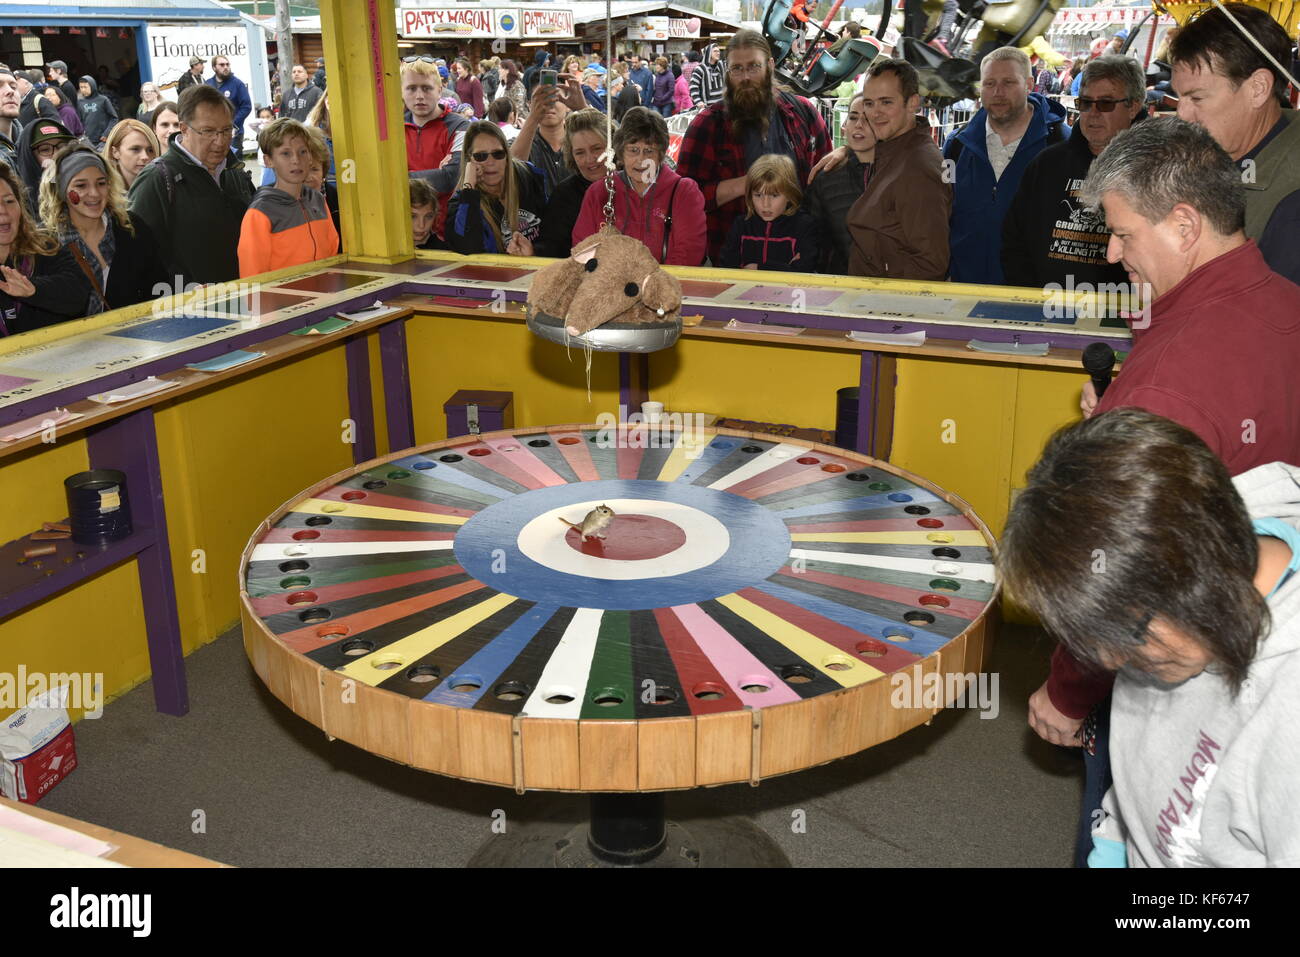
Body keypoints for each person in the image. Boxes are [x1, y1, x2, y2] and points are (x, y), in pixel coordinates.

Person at [1033, 116, 1300, 867]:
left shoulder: (1166, 379)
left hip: (1185, 687)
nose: (1111, 253)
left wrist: (1065, 691)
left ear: (1184, 223)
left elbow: (1112, 577)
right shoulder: (1285, 304)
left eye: (1121, 232)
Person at [999, 408, 1300, 868]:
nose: (1110, 659)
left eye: (1126, 631)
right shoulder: (1169, 615)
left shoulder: (1287, 711)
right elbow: (1146, 778)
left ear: (1204, 570)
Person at [1169, 4, 1300, 285]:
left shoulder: (1292, 196)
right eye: (1179, 96)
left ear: (1258, 88)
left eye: (1198, 98)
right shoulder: (1204, 155)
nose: (1182, 114)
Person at [676, 29, 830, 265]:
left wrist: (846, 151)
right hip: (734, 263)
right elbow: (684, 200)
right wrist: (749, 183)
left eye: (753, 66)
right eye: (737, 68)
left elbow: (825, 177)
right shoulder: (708, 124)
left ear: (769, 65)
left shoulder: (803, 113)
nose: (745, 76)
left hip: (798, 261)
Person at [1001, 55, 1143, 289]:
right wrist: (1033, 299)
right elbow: (1014, 240)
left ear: (1133, 107)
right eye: (1085, 103)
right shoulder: (1047, 163)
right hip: (1046, 310)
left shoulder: (1158, 168)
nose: (1093, 113)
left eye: (1105, 103)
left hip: (1123, 314)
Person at [941, 47, 1067, 284]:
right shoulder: (955, 146)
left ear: (1029, 84)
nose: (997, 92)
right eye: (989, 84)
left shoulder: (1061, 145)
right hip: (964, 288)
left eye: (1008, 82)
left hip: (1034, 295)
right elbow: (942, 210)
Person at [128, 84, 255, 286]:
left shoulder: (236, 173)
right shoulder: (157, 179)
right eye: (208, 131)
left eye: (226, 130)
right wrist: (183, 289)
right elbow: (138, 255)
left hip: (246, 298)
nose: (220, 141)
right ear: (184, 129)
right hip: (190, 309)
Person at [845, 58, 951, 280]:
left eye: (886, 102)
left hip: (888, 304)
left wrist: (881, 298)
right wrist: (844, 151)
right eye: (869, 103)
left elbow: (930, 264)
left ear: (912, 103)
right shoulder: (895, 148)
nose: (875, 113)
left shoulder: (918, 168)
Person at [37, 143, 166, 315]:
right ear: (62, 190)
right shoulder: (46, 244)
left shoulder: (132, 228)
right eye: (81, 186)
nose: (95, 193)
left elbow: (159, 286)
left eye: (101, 183)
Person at [572, 106, 706, 266]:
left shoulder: (684, 192)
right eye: (633, 150)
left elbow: (688, 255)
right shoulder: (600, 192)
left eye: (649, 151)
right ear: (621, 152)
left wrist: (651, 285)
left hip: (666, 287)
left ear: (661, 154)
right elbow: (583, 251)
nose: (641, 160)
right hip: (610, 287)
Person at [237, 118, 339, 278]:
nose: (296, 160)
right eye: (286, 153)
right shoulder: (260, 213)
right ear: (268, 160)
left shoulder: (318, 200)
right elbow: (252, 277)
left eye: (302, 152)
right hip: (285, 301)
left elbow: (332, 250)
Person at [0, 161, 90, 336]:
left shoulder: (47, 247)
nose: (3, 210)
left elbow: (78, 293)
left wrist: (33, 289)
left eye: (9, 201)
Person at [446, 120, 548, 257]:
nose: (490, 162)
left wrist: (535, 251)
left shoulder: (528, 176)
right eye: (480, 156)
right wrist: (469, 189)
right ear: (469, 159)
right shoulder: (460, 203)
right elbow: (467, 248)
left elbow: (553, 234)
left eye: (498, 154)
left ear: (507, 156)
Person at [805, 91, 876, 274]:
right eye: (853, 117)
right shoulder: (825, 176)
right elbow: (812, 241)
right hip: (839, 288)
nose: (859, 125)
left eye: (867, 119)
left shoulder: (898, 173)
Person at [402, 56, 471, 242]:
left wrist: (398, 177)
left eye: (426, 88)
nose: (419, 96)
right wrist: (435, 174)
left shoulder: (461, 127)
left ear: (439, 90)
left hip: (446, 235)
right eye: (411, 88)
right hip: (402, 234)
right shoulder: (390, 130)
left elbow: (451, 178)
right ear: (401, 91)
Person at [535, 107, 614, 258]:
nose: (590, 159)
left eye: (597, 148)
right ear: (571, 155)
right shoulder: (563, 195)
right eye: (580, 152)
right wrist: (531, 250)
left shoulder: (633, 184)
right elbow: (550, 247)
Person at [719, 154, 819, 271]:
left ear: (789, 195)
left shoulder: (804, 226)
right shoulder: (741, 225)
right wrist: (786, 268)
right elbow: (727, 268)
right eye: (758, 195)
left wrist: (759, 268)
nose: (765, 204)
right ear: (749, 195)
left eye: (774, 195)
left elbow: (804, 270)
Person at [510, 76, 585, 195]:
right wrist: (533, 118)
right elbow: (512, 168)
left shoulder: (581, 141)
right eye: (541, 98)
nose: (549, 104)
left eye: (555, 98)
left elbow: (609, 149)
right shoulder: (522, 143)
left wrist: (583, 108)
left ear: (567, 105)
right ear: (530, 105)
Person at [15, 119, 76, 203]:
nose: (57, 154)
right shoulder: (18, 201)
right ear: (29, 157)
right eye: (45, 150)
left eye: (62, 147)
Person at [207, 55, 252, 159]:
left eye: (227, 64)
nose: (226, 67)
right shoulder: (208, 84)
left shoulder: (237, 84)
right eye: (222, 65)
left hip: (233, 133)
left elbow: (246, 107)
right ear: (214, 67)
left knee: (234, 165)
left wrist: (232, 124)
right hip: (213, 132)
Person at [103, 118, 160, 190]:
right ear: (115, 152)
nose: (145, 157)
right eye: (135, 149)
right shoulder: (103, 192)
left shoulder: (162, 187)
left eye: (150, 150)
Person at [77, 76, 118, 149]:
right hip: (87, 141)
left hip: (102, 140)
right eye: (81, 87)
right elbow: (79, 121)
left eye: (85, 87)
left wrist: (106, 134)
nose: (83, 90)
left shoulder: (103, 100)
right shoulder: (80, 102)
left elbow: (114, 118)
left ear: (92, 86)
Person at [409, 177, 444, 250]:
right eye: (412, 216)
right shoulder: (385, 248)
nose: (421, 225)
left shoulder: (443, 251)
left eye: (428, 217)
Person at [690, 44, 725, 110]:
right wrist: (698, 101)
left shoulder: (721, 66)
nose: (718, 53)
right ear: (708, 53)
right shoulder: (699, 69)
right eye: (715, 51)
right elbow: (693, 87)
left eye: (718, 51)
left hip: (722, 106)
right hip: (707, 108)